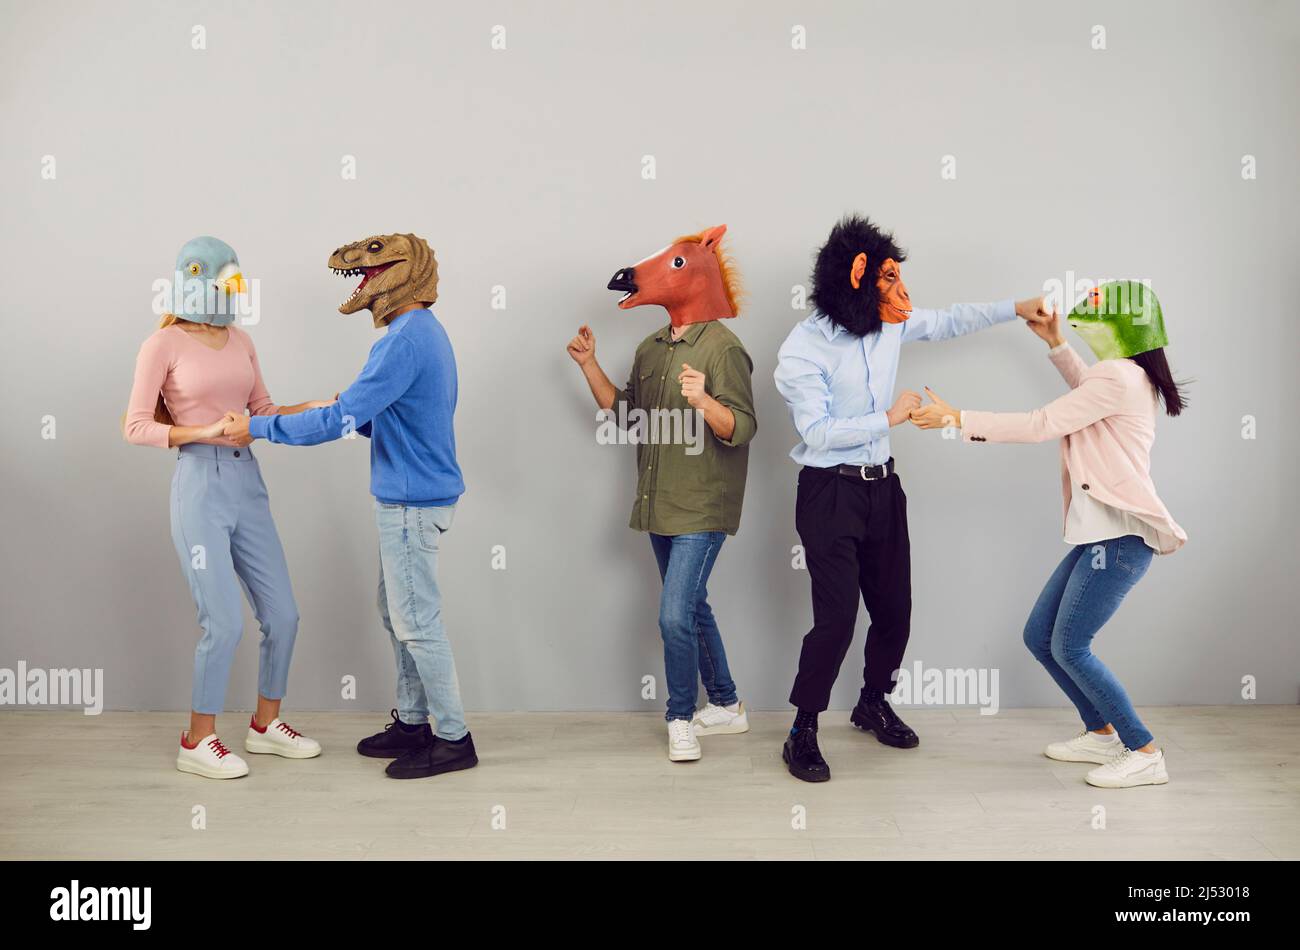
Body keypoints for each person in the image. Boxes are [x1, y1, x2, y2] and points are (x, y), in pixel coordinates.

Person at [774, 214, 1051, 783]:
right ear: (855, 281)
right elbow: (817, 433)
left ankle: (872, 702)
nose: (903, 295)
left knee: (895, 611)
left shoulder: (891, 324)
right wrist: (889, 417)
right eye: (888, 281)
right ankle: (803, 728)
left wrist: (1016, 307)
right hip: (829, 492)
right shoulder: (803, 348)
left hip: (883, 489)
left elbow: (949, 321)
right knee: (836, 621)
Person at [910, 281, 1186, 788]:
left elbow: (1042, 423)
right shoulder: (1130, 376)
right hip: (1102, 539)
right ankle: (1100, 733)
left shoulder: (1119, 378)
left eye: (1091, 324)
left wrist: (957, 418)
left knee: (1071, 645)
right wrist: (1057, 345)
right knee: (1041, 637)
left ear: (1119, 329)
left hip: (1119, 541)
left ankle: (1144, 750)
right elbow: (1087, 396)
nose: (1085, 329)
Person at [222, 232, 476, 780]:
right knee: (398, 614)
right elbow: (397, 415)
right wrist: (341, 407)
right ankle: (413, 723)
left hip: (411, 501)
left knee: (416, 621)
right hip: (413, 494)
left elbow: (338, 424)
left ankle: (454, 739)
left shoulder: (402, 340)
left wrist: (259, 427)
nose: (359, 267)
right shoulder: (419, 333)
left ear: (407, 269)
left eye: (377, 255)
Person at [124, 236, 327, 779]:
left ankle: (265, 726)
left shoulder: (241, 340)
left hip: (247, 483)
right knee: (224, 622)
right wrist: (206, 430)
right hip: (199, 485)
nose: (231, 285)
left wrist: (322, 406)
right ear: (194, 277)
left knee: (284, 613)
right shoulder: (161, 344)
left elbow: (262, 409)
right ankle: (198, 738)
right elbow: (136, 426)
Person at [567, 224, 757, 762]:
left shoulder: (724, 349)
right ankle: (726, 705)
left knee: (673, 614)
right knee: (693, 606)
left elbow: (742, 428)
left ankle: (679, 717)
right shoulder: (651, 350)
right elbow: (627, 416)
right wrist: (588, 365)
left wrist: (705, 403)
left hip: (703, 506)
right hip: (658, 504)